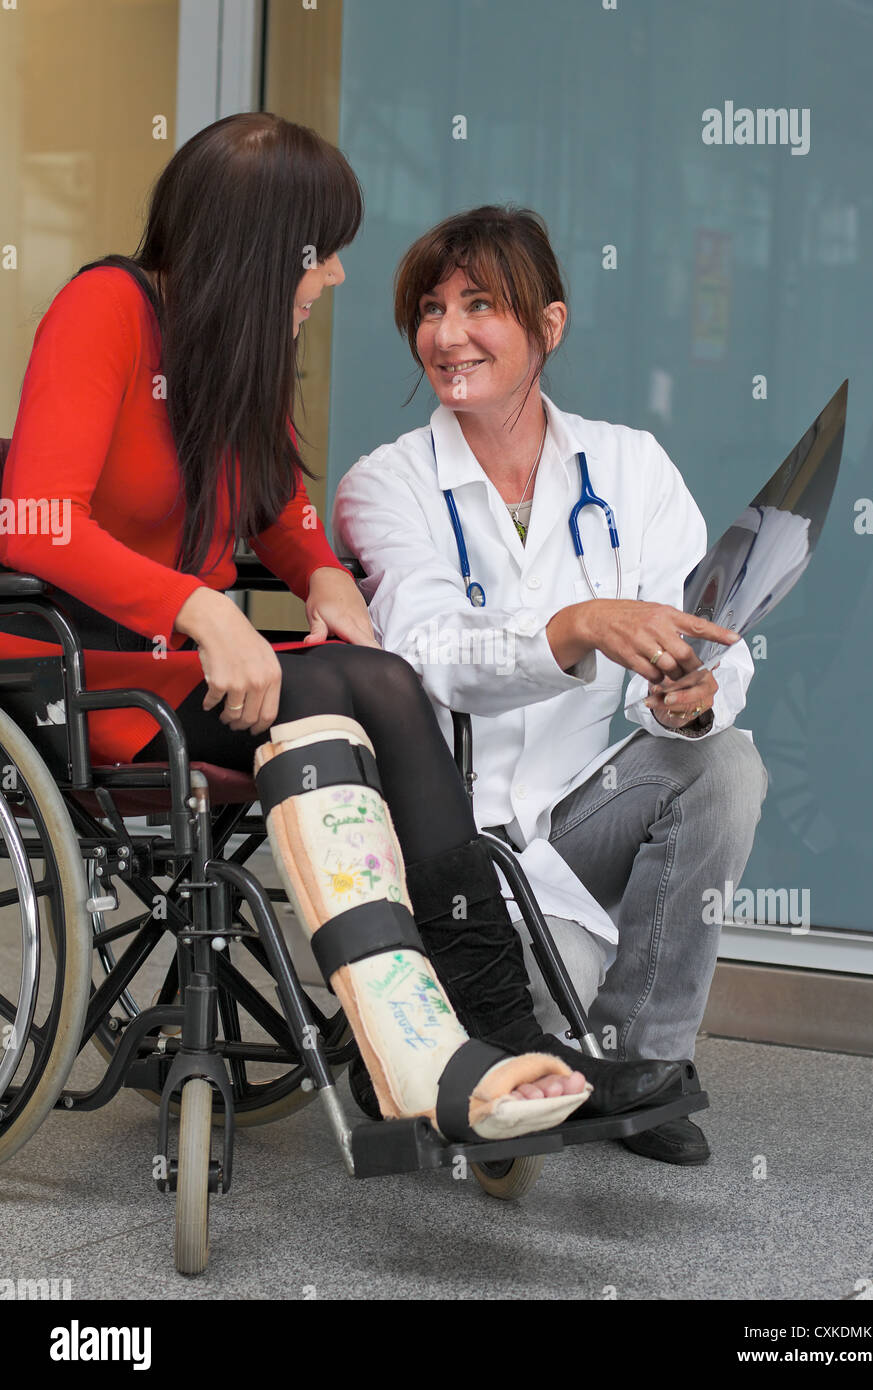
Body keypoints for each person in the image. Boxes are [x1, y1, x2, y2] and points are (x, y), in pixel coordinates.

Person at [0, 117, 683, 1140]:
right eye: (323, 251)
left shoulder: (238, 348)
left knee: (368, 673)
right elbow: (35, 520)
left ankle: (461, 1029)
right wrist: (193, 607)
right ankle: (435, 1037)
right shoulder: (104, 310)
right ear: (265, 244)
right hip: (76, 674)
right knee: (338, 685)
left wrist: (320, 571)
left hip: (183, 676)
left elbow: (278, 508)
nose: (337, 277)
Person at [333, 204, 769, 1163]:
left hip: (585, 821)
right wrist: (575, 628)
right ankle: (547, 1053)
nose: (448, 336)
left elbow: (709, 637)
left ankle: (648, 1070)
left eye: (480, 305)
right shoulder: (385, 485)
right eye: (431, 310)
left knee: (725, 765)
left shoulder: (632, 467)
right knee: (532, 1045)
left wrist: (690, 694)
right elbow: (429, 651)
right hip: (461, 855)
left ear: (548, 327)